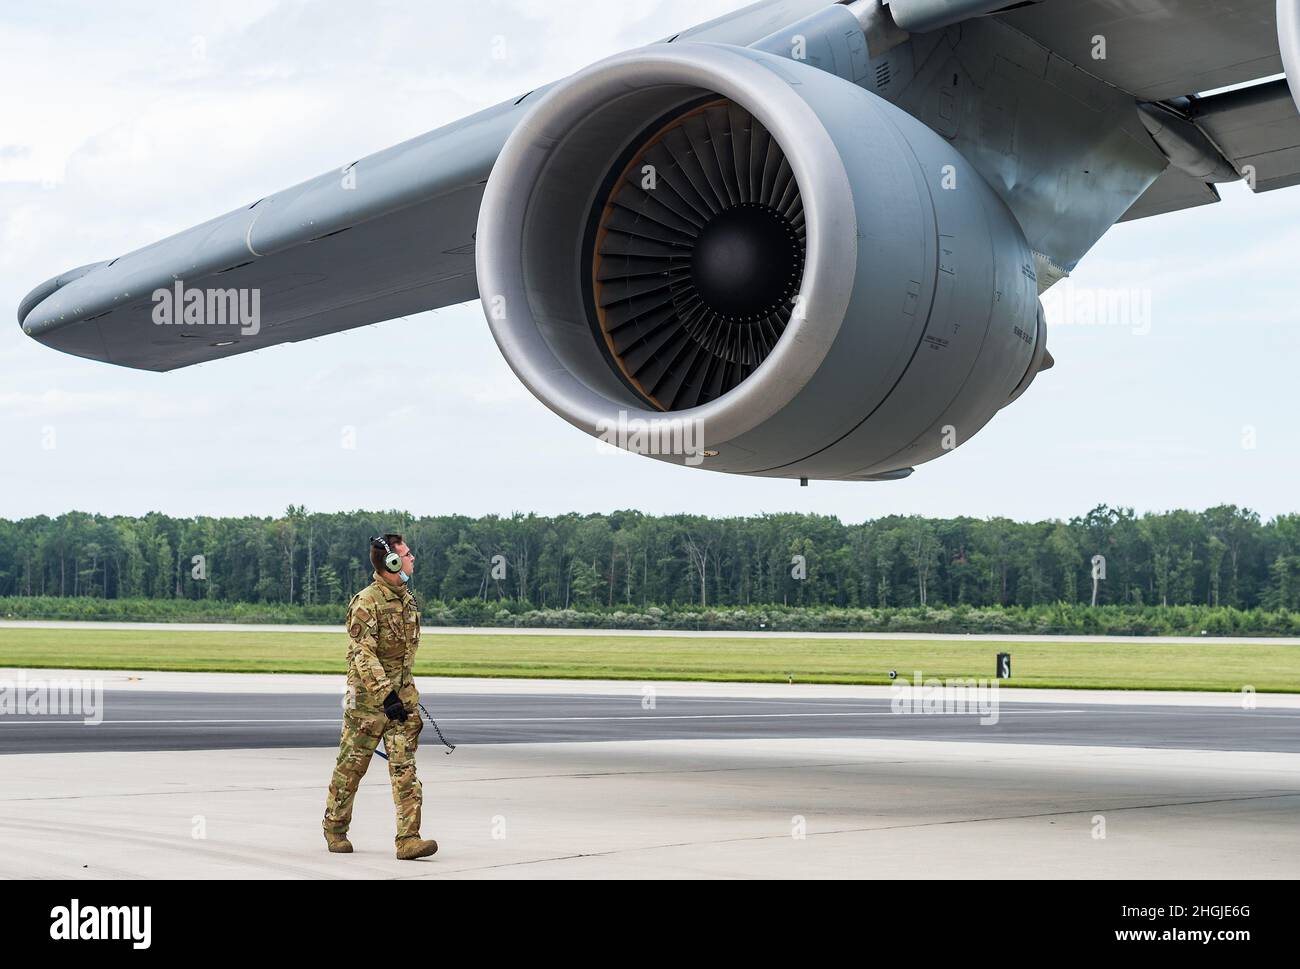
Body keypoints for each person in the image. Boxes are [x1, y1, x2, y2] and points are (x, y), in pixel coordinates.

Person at [322, 533, 437, 860]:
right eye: (407, 554)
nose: (412, 558)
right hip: (368, 705)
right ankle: (335, 827)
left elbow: (403, 656)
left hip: (400, 704)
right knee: (351, 768)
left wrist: (404, 696)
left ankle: (408, 839)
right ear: (392, 562)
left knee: (405, 770)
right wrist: (386, 695)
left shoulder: (406, 600)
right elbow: (363, 655)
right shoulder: (366, 602)